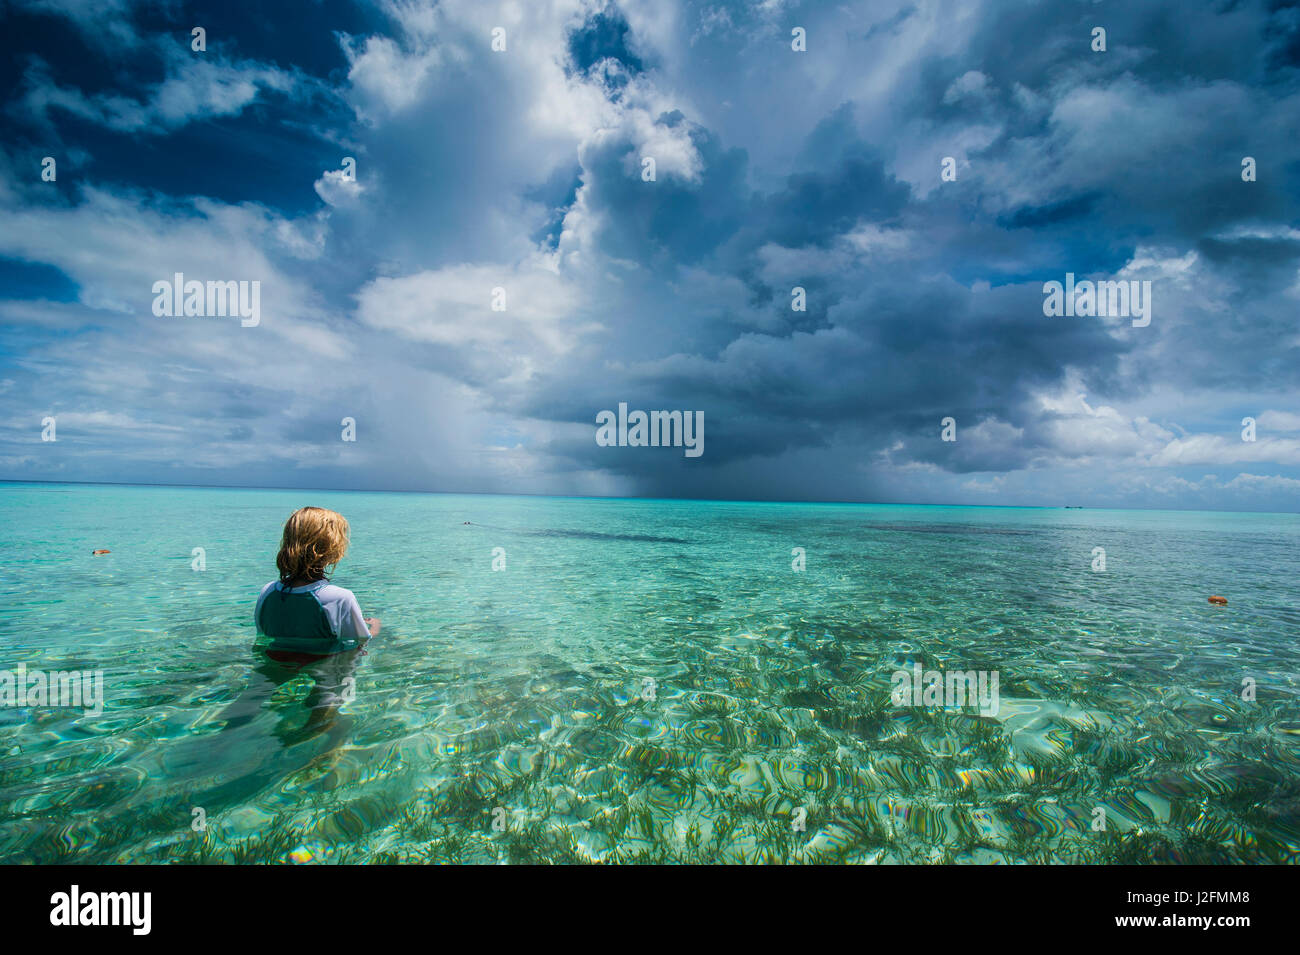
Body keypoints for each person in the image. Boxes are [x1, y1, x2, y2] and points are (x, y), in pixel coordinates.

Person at [220, 507, 379, 745]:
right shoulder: (339, 597)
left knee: (253, 695)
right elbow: (359, 640)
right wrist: (374, 628)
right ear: (332, 549)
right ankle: (311, 735)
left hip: (279, 656)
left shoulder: (268, 591)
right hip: (325, 659)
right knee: (332, 693)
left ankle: (224, 734)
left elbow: (263, 633)